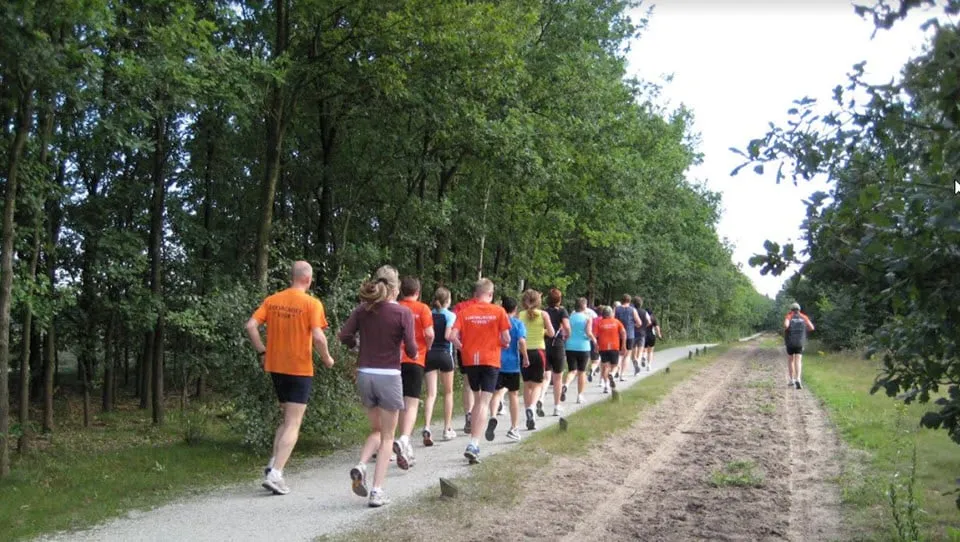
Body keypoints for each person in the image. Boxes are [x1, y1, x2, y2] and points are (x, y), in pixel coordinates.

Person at [245, 261, 335, 496]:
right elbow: (318, 337)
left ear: (292, 277)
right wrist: (327, 358)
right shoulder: (312, 304)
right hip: (298, 368)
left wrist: (262, 351)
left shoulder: (272, 300)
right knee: (294, 423)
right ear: (308, 279)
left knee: (286, 420)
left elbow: (251, 326)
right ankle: (276, 474)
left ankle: (272, 464)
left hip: (276, 367)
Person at [338, 265, 417, 508]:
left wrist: (356, 345)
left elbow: (344, 336)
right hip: (389, 376)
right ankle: (377, 490)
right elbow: (412, 348)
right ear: (395, 288)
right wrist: (409, 349)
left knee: (376, 429)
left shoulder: (363, 310)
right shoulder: (403, 313)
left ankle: (361, 465)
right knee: (388, 436)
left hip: (364, 374)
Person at [451, 278, 511, 464]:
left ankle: (473, 441)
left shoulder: (464, 312)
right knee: (484, 402)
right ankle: (474, 444)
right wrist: (502, 343)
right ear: (490, 294)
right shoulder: (499, 311)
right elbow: (506, 338)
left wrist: (462, 347)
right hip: (490, 360)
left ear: (475, 294)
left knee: (477, 400)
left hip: (471, 360)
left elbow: (452, 336)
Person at [396, 277, 434, 465]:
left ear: (401, 291)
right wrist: (427, 347)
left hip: (395, 360)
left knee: (397, 404)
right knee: (411, 403)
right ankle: (404, 439)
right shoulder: (423, 309)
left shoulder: (395, 307)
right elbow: (429, 334)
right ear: (418, 292)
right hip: (415, 358)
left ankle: (400, 442)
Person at [488, 296, 528, 441]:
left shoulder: (495, 323)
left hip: (497, 362)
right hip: (512, 365)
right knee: (513, 395)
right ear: (515, 309)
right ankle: (514, 427)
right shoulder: (518, 324)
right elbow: (521, 341)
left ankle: (493, 416)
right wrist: (525, 357)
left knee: (496, 393)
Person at [423, 287, 457, 445]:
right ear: (448, 301)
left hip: (429, 354)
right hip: (444, 354)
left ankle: (427, 427)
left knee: (431, 394)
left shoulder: (428, 314)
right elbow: (447, 336)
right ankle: (447, 429)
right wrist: (458, 341)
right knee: (448, 393)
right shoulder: (450, 315)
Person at [518, 289, 556, 429]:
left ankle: (528, 410)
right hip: (539, 351)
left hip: (524, 352)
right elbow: (552, 333)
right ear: (539, 301)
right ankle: (532, 408)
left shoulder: (520, 315)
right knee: (538, 384)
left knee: (527, 385)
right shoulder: (543, 314)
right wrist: (543, 330)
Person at [561, 297, 596, 404]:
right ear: (584, 306)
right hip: (583, 347)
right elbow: (588, 332)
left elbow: (565, 331)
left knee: (572, 370)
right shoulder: (587, 318)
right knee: (582, 372)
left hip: (570, 346)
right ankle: (580, 395)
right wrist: (594, 340)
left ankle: (566, 385)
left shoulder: (569, 318)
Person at [453, 294, 479, 434]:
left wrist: (459, 345)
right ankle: (477, 414)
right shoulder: (489, 308)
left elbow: (453, 328)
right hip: (483, 348)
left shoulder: (460, 307)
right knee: (481, 384)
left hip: (465, 348)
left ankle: (469, 414)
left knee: (468, 382)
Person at [544, 288, 571, 416]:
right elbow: (566, 326)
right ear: (559, 300)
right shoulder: (562, 311)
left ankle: (540, 398)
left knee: (545, 375)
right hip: (557, 344)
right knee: (558, 377)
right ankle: (556, 406)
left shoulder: (544, 311)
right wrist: (567, 335)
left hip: (545, 344)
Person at [595, 306, 627, 394]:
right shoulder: (617, 322)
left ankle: (606, 386)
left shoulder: (599, 323)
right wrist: (623, 345)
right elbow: (623, 332)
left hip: (603, 347)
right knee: (615, 365)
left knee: (605, 366)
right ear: (611, 313)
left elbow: (595, 335)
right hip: (614, 346)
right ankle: (612, 374)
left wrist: (596, 345)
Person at [783, 302, 815, 389]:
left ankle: (791, 380)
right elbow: (812, 327)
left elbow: (786, 325)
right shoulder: (803, 317)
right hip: (800, 342)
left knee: (791, 360)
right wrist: (804, 329)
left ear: (791, 310)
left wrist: (787, 327)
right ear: (799, 309)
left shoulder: (789, 316)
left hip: (790, 341)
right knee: (798, 360)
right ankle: (798, 379)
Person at [613, 294, 642, 381]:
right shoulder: (633, 310)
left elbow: (612, 320)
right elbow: (639, 323)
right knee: (627, 355)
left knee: (619, 355)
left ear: (621, 300)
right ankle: (622, 375)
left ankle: (615, 371)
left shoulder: (616, 309)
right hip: (629, 334)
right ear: (629, 301)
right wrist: (634, 325)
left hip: (618, 335)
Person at [632, 296, 650, 373]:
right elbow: (649, 321)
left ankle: (635, 362)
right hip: (642, 333)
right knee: (640, 350)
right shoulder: (644, 312)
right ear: (641, 304)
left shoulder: (632, 311)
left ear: (633, 303)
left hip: (633, 333)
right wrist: (644, 326)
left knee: (633, 351)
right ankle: (638, 361)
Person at [643, 308, 662, 373]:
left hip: (644, 335)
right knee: (650, 351)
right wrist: (659, 335)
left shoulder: (643, 318)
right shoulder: (653, 318)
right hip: (651, 335)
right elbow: (657, 327)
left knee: (644, 349)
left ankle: (644, 357)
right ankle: (649, 365)